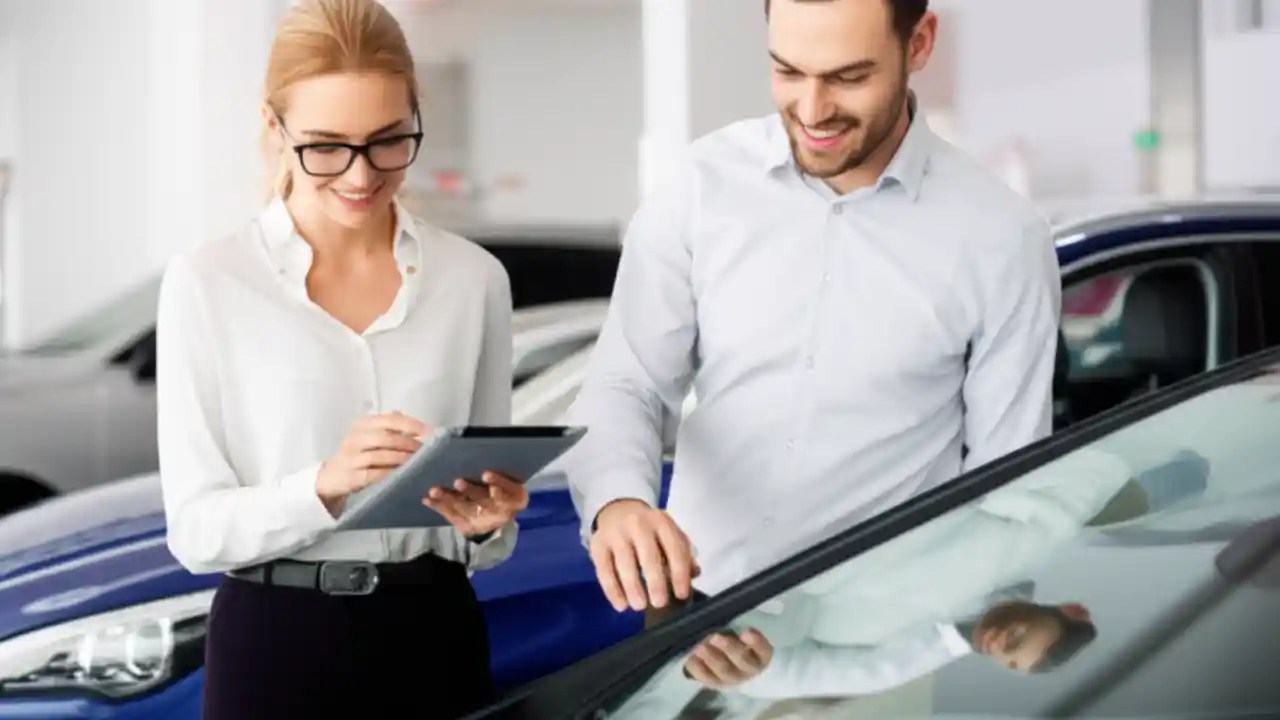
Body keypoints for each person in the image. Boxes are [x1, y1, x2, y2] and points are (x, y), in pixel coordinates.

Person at [560, 0, 1061, 662]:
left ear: (920, 43)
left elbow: (1008, 486)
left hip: (896, 645)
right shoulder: (700, 188)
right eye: (787, 71)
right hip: (702, 627)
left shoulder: (1002, 236)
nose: (813, 108)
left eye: (850, 77)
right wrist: (618, 504)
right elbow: (627, 381)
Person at [155, 1, 526, 717]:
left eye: (388, 140)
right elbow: (196, 531)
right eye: (326, 146)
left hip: (434, 635)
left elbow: (485, 512)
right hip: (276, 642)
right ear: (274, 129)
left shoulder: (474, 279)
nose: (361, 176)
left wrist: (490, 520)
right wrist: (322, 485)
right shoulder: (209, 283)